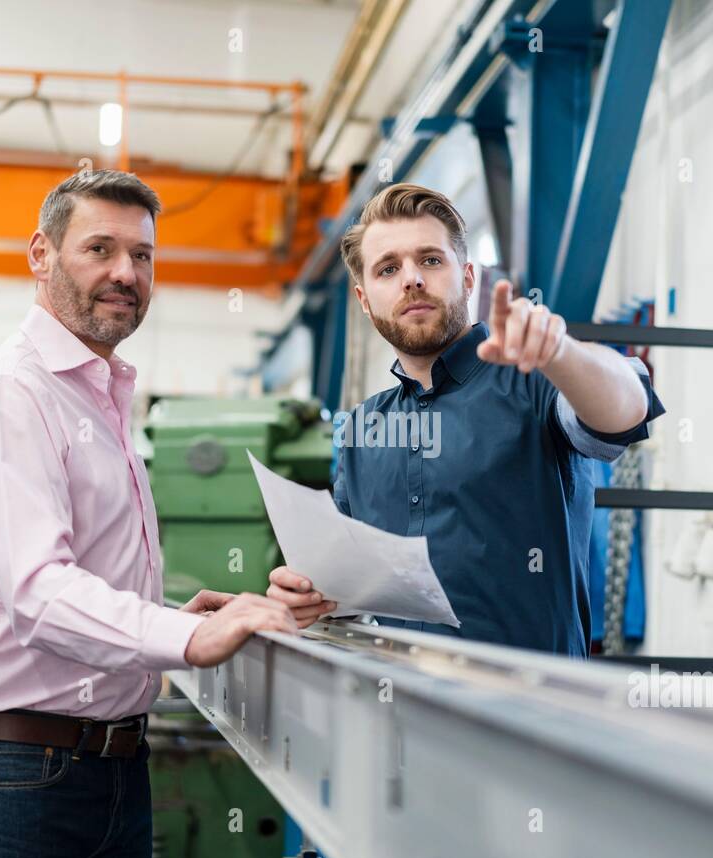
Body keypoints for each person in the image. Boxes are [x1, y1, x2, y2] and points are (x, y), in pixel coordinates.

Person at [0, 169, 297, 858]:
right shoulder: (10, 396)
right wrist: (186, 637)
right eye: (100, 249)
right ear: (41, 254)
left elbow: (79, 577)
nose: (126, 272)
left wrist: (179, 612)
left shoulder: (102, 400)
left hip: (110, 766)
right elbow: (39, 593)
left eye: (143, 256)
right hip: (11, 776)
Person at [267, 183, 663, 657]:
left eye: (431, 260)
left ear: (468, 277)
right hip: (399, 708)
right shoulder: (362, 428)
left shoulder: (534, 383)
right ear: (364, 298)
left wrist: (563, 352)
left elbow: (626, 410)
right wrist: (312, 598)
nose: (411, 278)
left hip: (532, 714)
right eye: (388, 268)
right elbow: (351, 591)